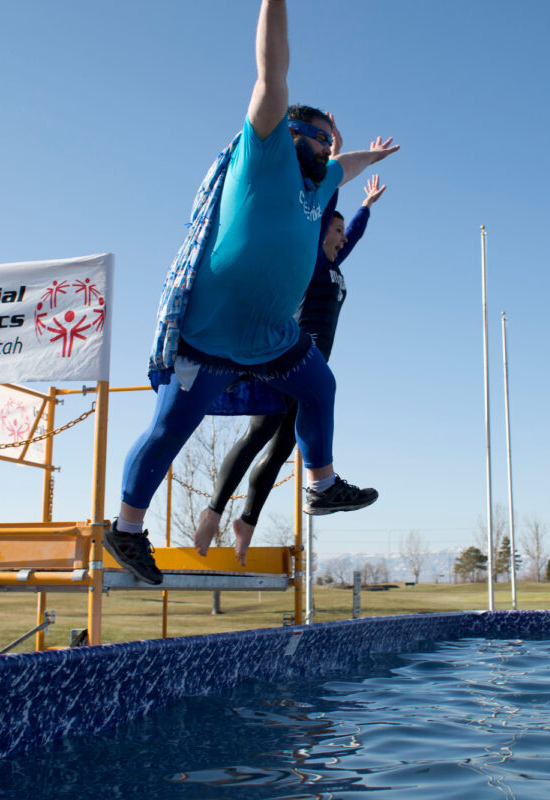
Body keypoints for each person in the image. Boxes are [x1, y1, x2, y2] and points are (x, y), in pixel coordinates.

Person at [106, 0, 399, 585]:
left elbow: (348, 161)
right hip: (209, 329)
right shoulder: (265, 155)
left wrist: (368, 156)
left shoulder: (322, 183)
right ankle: (127, 531)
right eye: (316, 137)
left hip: (271, 335)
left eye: (327, 139)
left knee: (320, 387)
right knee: (170, 429)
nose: (325, 146)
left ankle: (321, 485)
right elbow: (272, 71)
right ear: (289, 133)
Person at [194, 173, 387, 564]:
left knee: (282, 449)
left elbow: (354, 233)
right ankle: (213, 511)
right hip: (290, 360)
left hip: (311, 370)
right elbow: (324, 214)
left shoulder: (335, 264)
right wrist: (335, 171)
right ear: (321, 233)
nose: (342, 235)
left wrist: (366, 207)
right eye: (336, 229)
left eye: (342, 232)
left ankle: (246, 524)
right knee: (260, 434)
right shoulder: (312, 260)